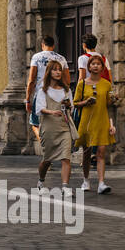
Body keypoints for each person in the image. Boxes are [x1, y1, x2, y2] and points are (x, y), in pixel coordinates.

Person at [73, 54, 115, 194]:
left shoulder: (107, 84)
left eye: (98, 64)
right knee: (86, 153)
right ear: (89, 67)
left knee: (101, 152)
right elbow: (75, 103)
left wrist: (113, 99)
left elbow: (108, 105)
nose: (95, 66)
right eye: (93, 64)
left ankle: (101, 183)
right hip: (87, 122)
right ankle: (86, 180)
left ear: (103, 68)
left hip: (102, 120)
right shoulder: (82, 83)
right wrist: (85, 102)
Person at [35, 60, 76, 191]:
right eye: (55, 69)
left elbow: (72, 108)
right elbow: (39, 109)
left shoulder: (66, 90)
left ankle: (65, 187)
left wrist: (69, 105)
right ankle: (41, 181)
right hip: (49, 129)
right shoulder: (43, 90)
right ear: (49, 72)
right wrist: (52, 111)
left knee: (66, 158)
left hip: (64, 128)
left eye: (60, 70)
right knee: (47, 160)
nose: (58, 72)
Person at [25, 35, 70, 149]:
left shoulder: (36, 57)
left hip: (41, 94)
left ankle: (45, 146)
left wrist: (27, 99)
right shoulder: (61, 58)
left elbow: (31, 80)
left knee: (35, 124)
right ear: (53, 45)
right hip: (57, 94)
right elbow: (67, 80)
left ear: (42, 45)